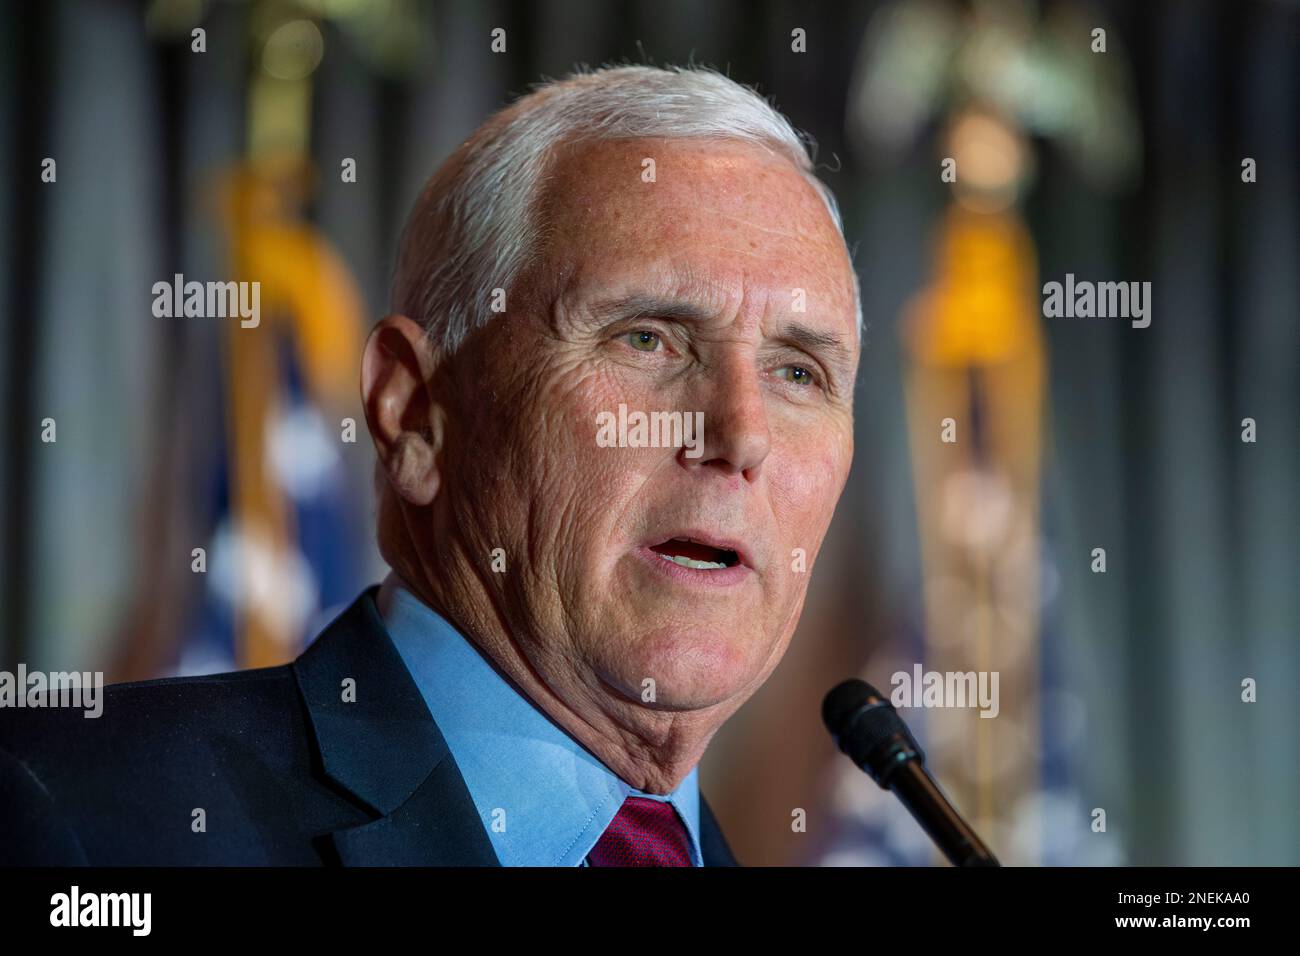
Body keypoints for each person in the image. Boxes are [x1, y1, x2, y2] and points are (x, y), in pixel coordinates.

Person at [0, 64, 861, 866]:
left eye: (798, 372)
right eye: (646, 337)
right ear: (413, 412)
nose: (741, 434)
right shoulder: (72, 819)